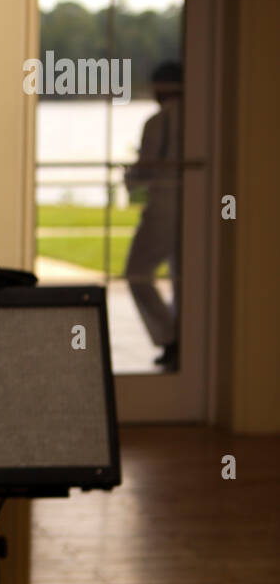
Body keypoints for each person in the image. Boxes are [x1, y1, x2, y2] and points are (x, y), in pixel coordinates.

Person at [123, 61, 181, 369]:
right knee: (183, 275)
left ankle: (171, 338)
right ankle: (180, 338)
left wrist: (129, 178)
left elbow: (144, 170)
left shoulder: (159, 122)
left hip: (165, 206)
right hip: (192, 207)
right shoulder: (201, 118)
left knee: (137, 272)